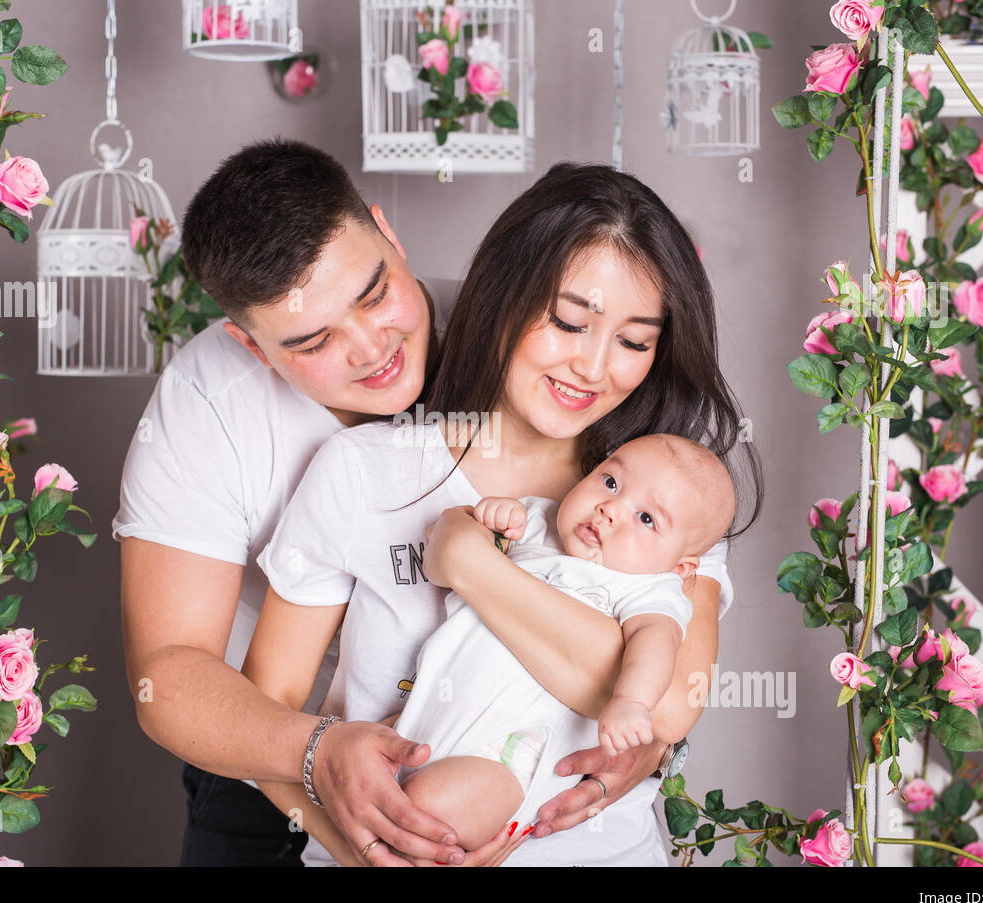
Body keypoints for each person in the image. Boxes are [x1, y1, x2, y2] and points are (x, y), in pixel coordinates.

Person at [242, 161, 763, 866]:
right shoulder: (364, 470)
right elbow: (264, 710)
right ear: (502, 292)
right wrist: (368, 847)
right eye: (570, 322)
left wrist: (469, 567)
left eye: (635, 341)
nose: (593, 366)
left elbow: (667, 710)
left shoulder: (666, 497)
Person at [114, 138, 465, 866]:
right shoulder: (205, 397)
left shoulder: (507, 337)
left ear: (386, 231)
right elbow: (169, 671)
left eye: (373, 295)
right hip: (267, 752)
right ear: (250, 344)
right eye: (313, 342)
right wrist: (317, 757)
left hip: (484, 750)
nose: (371, 349)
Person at [385, 434, 737, 855]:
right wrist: (497, 516)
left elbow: (655, 644)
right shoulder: (539, 519)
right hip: (424, 711)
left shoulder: (650, 590)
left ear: (680, 566)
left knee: (424, 810)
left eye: (646, 519)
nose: (609, 510)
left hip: (505, 752)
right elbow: (468, 544)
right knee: (362, 763)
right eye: (610, 482)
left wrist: (630, 700)